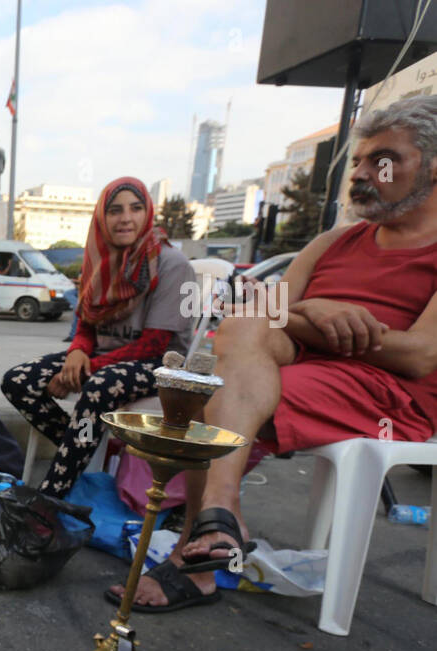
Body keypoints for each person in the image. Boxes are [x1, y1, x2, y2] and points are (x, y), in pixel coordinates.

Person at [111, 96, 437, 613]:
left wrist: (311, 312)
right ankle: (219, 516)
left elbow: (420, 355)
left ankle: (196, 548)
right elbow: (263, 308)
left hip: (387, 389)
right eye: (356, 161)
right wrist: (320, 311)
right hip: (297, 363)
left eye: (381, 159)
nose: (360, 173)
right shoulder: (335, 241)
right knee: (239, 334)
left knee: (208, 402)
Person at [1, 177, 193, 498]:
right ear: (103, 218)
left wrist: (83, 368)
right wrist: (77, 351)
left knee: (98, 384)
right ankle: (82, 446)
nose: (126, 218)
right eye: (115, 210)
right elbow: (87, 323)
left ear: (148, 213)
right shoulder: (100, 260)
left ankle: (51, 496)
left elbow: (155, 344)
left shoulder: (172, 264)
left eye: (136, 208)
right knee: (18, 381)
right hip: (103, 361)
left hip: (159, 366)